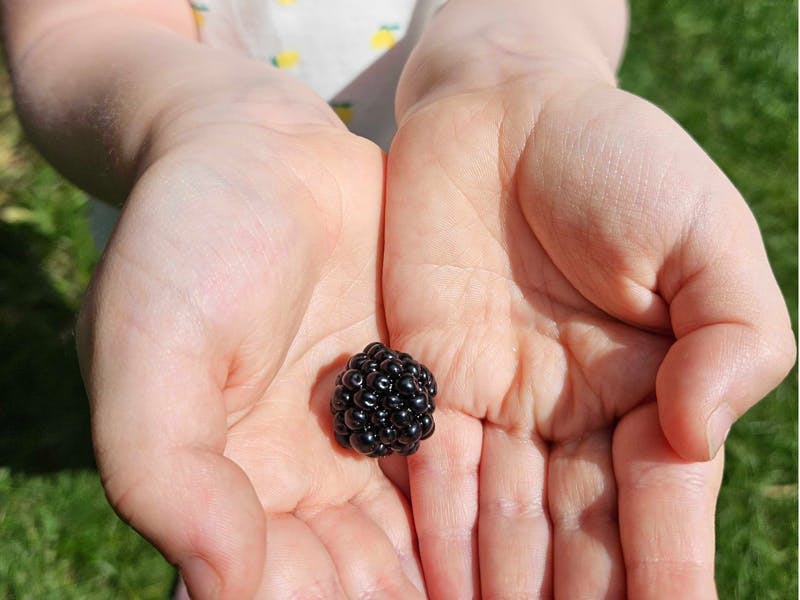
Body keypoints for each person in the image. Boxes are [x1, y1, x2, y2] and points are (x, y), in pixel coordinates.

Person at [2, 1, 795, 598]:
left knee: (181, 422)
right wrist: (205, 120)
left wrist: (519, 65)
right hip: (251, 238)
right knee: (185, 402)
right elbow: (68, 23)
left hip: (471, 208)